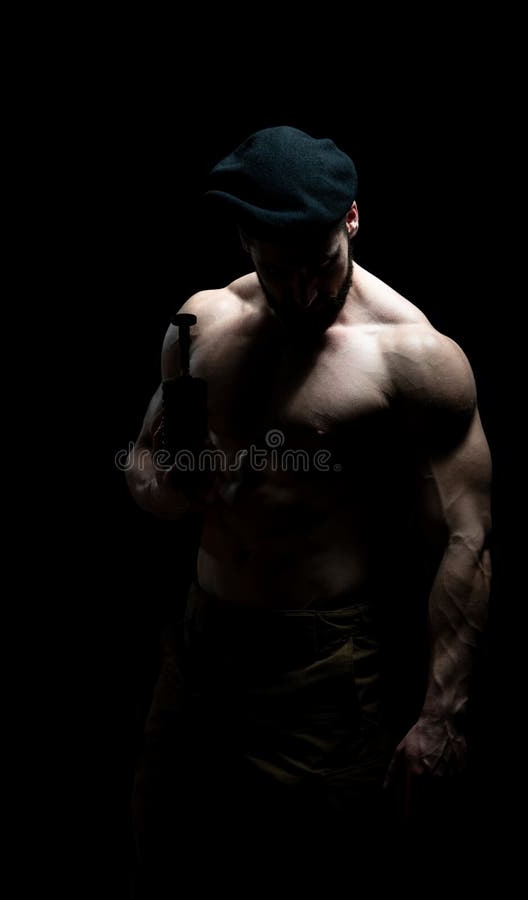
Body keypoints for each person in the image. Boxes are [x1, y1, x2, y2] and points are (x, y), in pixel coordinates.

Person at [126, 126, 492, 895]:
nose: (301, 292)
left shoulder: (413, 357)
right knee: (163, 864)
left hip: (320, 673)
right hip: (199, 651)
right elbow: (147, 461)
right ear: (244, 240)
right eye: (276, 268)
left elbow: (467, 536)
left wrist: (442, 714)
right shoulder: (205, 321)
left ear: (352, 220)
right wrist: (161, 487)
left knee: (315, 891)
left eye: (319, 266)